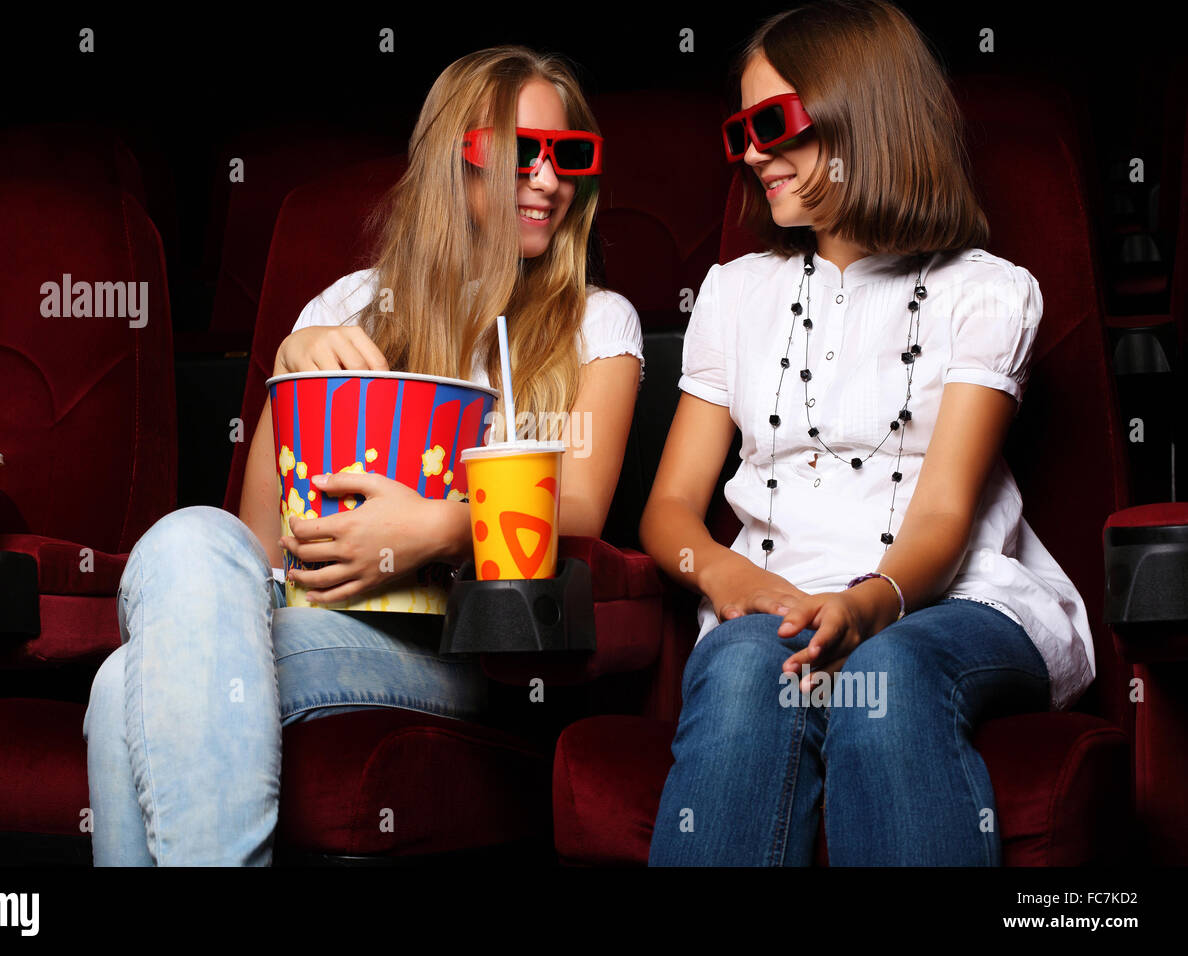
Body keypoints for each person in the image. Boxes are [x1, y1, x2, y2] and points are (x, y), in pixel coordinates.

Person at [83, 45, 644, 866]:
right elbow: (257, 548)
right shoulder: (343, 307)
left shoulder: (600, 322)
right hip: (312, 611)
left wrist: (437, 527)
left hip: (456, 642)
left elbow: (585, 507)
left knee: (119, 685)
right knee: (187, 538)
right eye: (524, 153)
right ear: (456, 161)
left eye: (568, 155)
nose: (550, 179)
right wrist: (288, 370)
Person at [642, 0, 1091, 866]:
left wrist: (866, 605)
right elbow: (668, 509)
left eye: (773, 124)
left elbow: (941, 518)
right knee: (743, 669)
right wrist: (731, 574)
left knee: (886, 674)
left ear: (864, 116)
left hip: (959, 602)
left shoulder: (986, 291)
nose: (749, 151)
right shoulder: (735, 294)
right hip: (772, 607)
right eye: (740, 128)